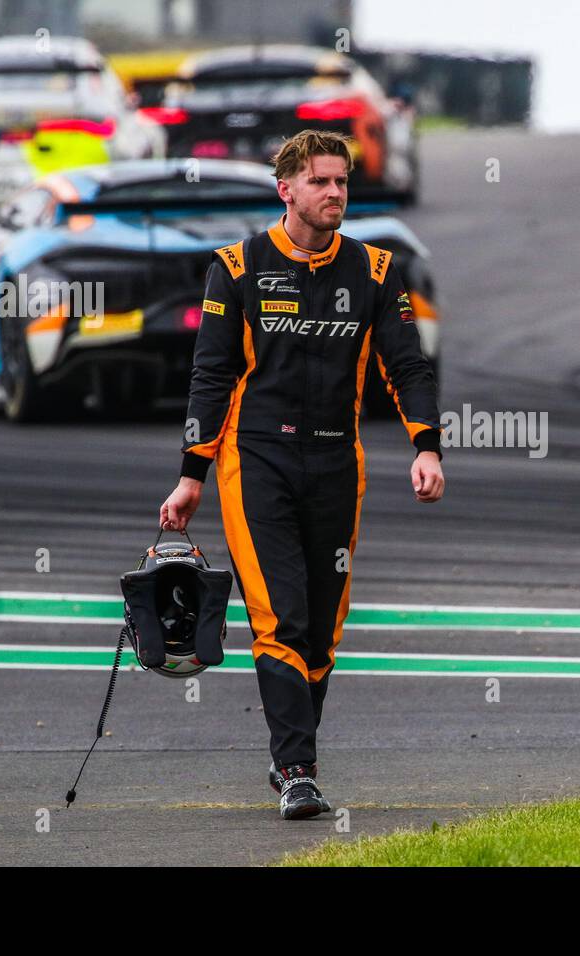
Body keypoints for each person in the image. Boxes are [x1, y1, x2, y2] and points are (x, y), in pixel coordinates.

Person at [158, 129, 445, 820]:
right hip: (256, 461)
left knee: (322, 628)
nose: (336, 193)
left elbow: (407, 364)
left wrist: (427, 446)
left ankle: (291, 752)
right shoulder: (237, 266)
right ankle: (297, 768)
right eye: (321, 182)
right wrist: (192, 474)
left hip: (337, 464)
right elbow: (211, 376)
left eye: (342, 182)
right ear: (285, 188)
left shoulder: (376, 271)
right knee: (280, 617)